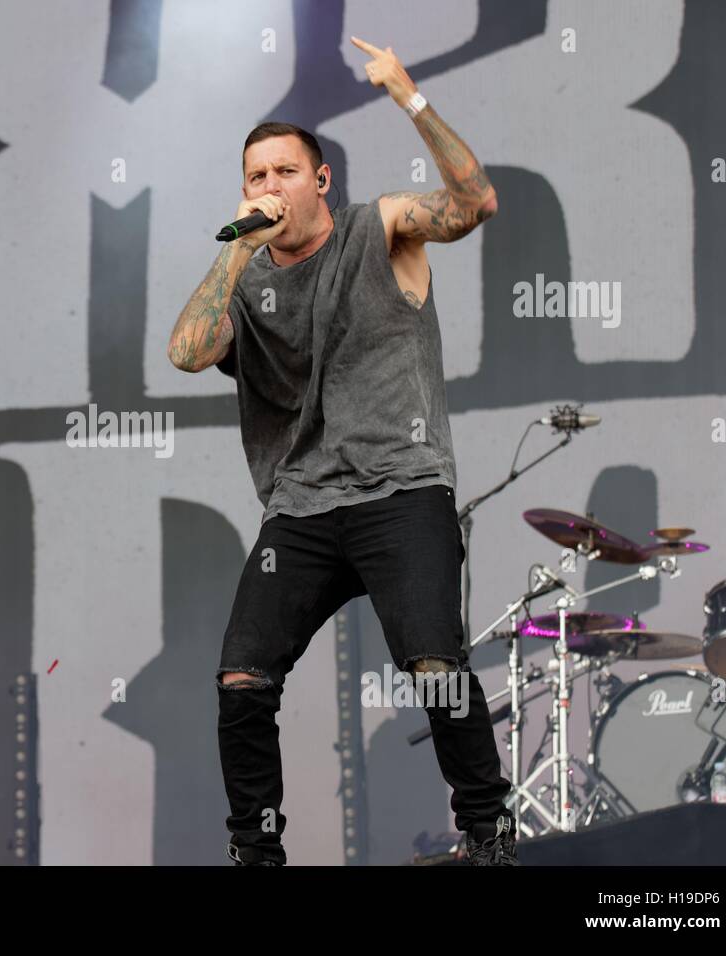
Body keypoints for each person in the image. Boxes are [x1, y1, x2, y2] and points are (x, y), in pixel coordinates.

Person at [168, 37, 516, 866]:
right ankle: (257, 850)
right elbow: (186, 351)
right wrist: (236, 247)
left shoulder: (381, 227)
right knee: (242, 679)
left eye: (284, 172)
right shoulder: (245, 278)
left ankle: (487, 831)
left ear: (320, 180)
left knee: (433, 661)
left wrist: (409, 96)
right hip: (303, 509)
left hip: (403, 490)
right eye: (255, 176)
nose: (269, 187)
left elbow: (475, 202)